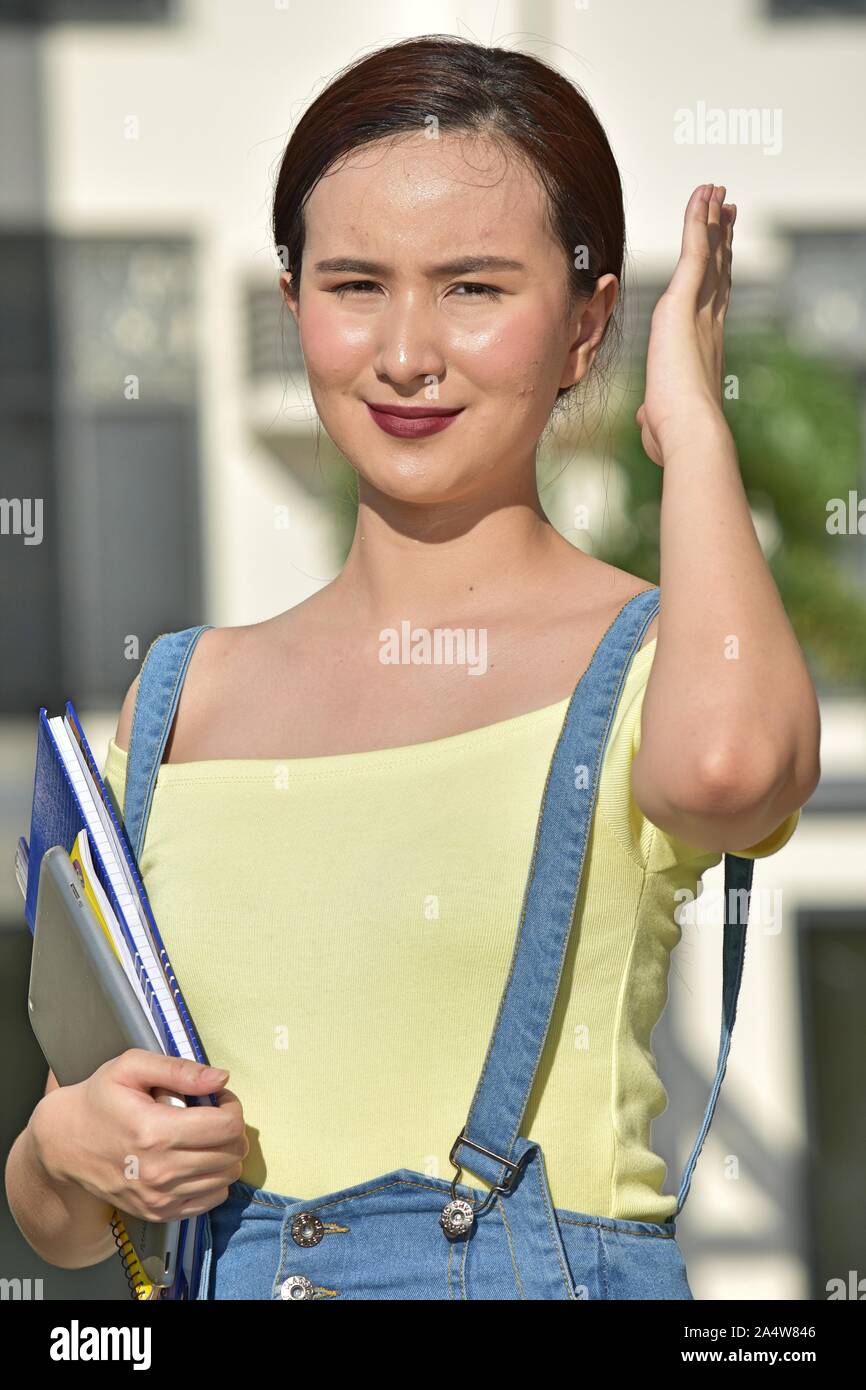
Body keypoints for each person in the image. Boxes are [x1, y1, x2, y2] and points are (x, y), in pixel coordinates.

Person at [6, 35, 820, 1300]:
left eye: (474, 289)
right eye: (352, 285)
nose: (404, 352)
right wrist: (67, 1149)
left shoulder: (650, 660)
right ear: (294, 305)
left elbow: (731, 772)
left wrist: (689, 425)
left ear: (586, 321)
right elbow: (68, 1208)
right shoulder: (176, 699)